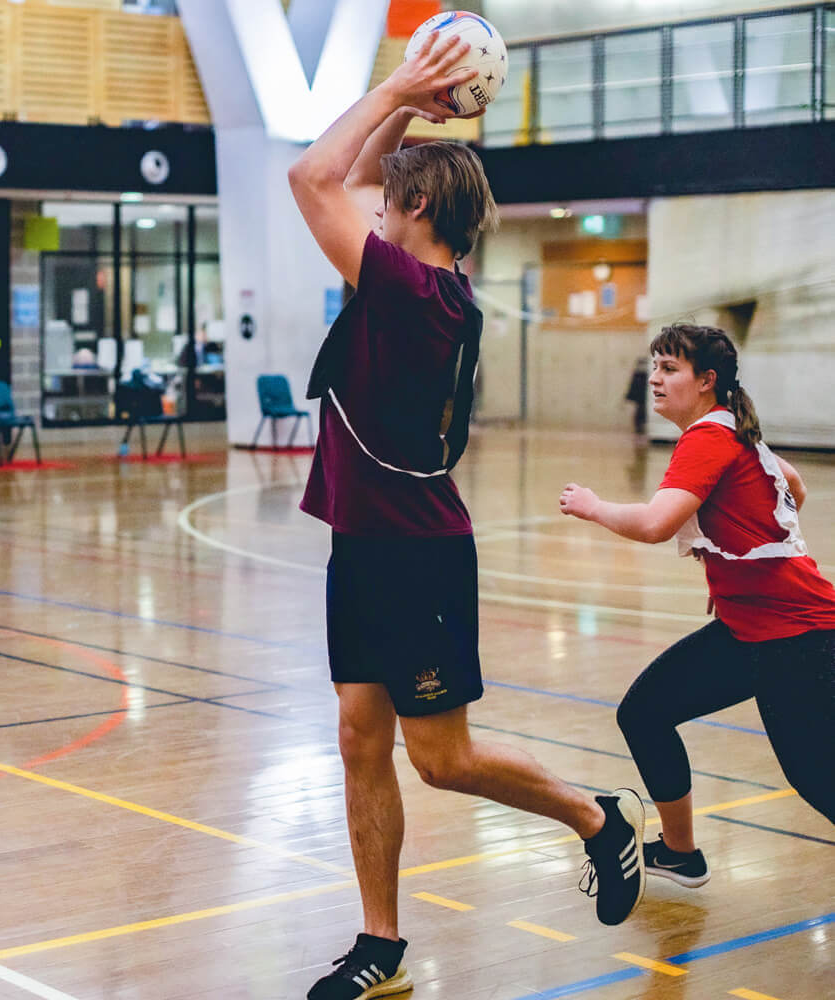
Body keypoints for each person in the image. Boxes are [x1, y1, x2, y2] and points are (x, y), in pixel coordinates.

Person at [288, 33, 646, 1000]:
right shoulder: (412, 280)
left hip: (416, 555)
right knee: (361, 739)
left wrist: (401, 82)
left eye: (390, 197)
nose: (372, 200)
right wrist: (411, 108)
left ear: (415, 211)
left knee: (440, 761)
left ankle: (597, 818)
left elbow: (314, 174)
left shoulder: (415, 292)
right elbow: (358, 169)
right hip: (363, 545)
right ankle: (382, 947)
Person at [561, 324, 835, 887]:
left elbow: (657, 524)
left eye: (670, 369)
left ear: (707, 381)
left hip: (795, 635)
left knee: (814, 775)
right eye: (655, 366)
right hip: (749, 628)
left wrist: (593, 506)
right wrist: (736, 564)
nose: (655, 379)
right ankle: (680, 853)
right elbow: (794, 486)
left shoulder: (708, 438)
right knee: (644, 712)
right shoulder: (732, 428)